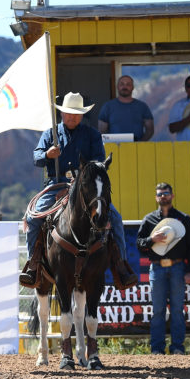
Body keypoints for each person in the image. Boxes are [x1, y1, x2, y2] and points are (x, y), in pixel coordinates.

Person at [19, 93, 137, 289]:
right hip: (55, 184)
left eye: (75, 113)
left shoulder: (92, 135)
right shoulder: (50, 134)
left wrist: (85, 173)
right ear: (62, 113)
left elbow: (99, 161)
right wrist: (48, 154)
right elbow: (36, 157)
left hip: (85, 186)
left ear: (81, 115)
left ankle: (121, 265)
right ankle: (34, 264)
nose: (71, 117)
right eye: (68, 113)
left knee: (115, 218)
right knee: (33, 218)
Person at [136, 182, 190, 355]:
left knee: (177, 309)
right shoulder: (149, 220)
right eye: (160, 194)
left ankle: (177, 347)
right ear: (156, 198)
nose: (163, 196)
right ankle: (157, 349)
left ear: (172, 196)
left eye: (166, 193)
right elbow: (139, 244)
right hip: (157, 268)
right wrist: (151, 239)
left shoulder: (183, 219)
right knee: (158, 310)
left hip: (178, 267)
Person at [98, 74, 154, 141]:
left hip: (137, 149)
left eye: (128, 84)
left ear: (133, 87)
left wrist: (140, 144)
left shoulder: (142, 107)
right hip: (114, 148)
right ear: (117, 87)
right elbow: (101, 131)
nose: (125, 87)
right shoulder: (107, 107)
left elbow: (150, 130)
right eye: (122, 84)